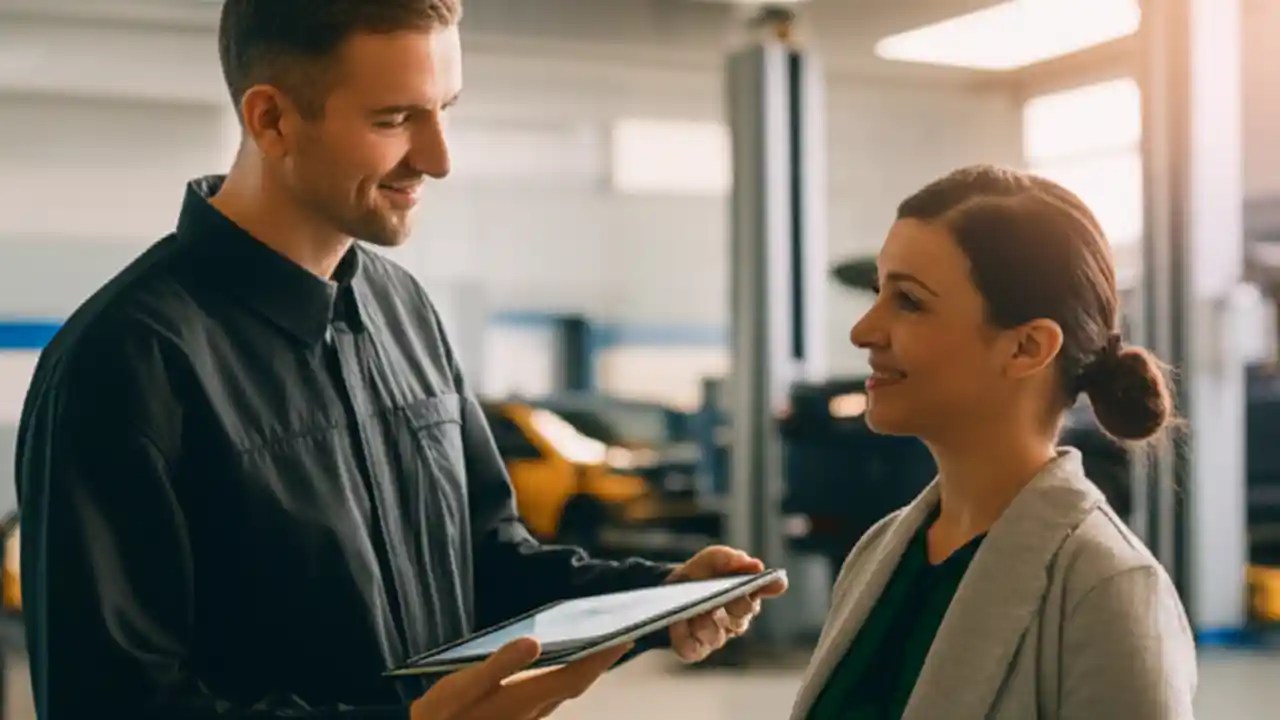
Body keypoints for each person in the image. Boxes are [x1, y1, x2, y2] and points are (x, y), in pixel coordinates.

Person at [14, 1, 785, 718]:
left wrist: (656, 600)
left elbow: (486, 565)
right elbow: (111, 702)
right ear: (272, 118)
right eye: (394, 119)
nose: (439, 159)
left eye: (445, 110)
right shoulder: (124, 364)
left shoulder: (404, 311)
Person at [789, 165, 1197, 720]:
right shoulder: (879, 553)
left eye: (908, 301)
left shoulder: (1105, 587)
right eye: (880, 292)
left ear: (1027, 347)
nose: (863, 331)